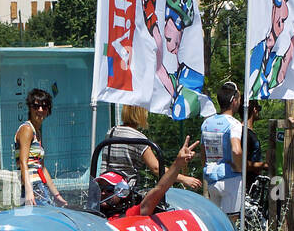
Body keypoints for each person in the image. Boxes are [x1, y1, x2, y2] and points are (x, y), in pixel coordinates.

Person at [99, 104, 200, 191]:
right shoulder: (139, 139)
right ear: (141, 114)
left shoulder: (111, 132)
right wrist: (184, 179)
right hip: (125, 190)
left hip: (105, 186)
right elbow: (156, 168)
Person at [97, 136, 199, 218]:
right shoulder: (90, 214)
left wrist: (177, 164)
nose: (103, 193)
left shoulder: (130, 214)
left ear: (122, 193)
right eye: (100, 188)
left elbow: (159, 190)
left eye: (109, 189)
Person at [14, 88, 68, 207]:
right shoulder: (27, 129)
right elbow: (23, 162)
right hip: (32, 186)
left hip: (39, 185)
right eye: (36, 106)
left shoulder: (37, 132)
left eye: (44, 107)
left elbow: (42, 167)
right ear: (29, 107)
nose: (40, 110)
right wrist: (28, 191)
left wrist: (57, 196)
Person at [201, 82, 244, 219]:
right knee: (231, 224)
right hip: (230, 180)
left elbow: (203, 153)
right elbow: (236, 150)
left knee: (217, 223)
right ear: (234, 101)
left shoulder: (207, 123)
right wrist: (239, 168)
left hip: (211, 179)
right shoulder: (234, 124)